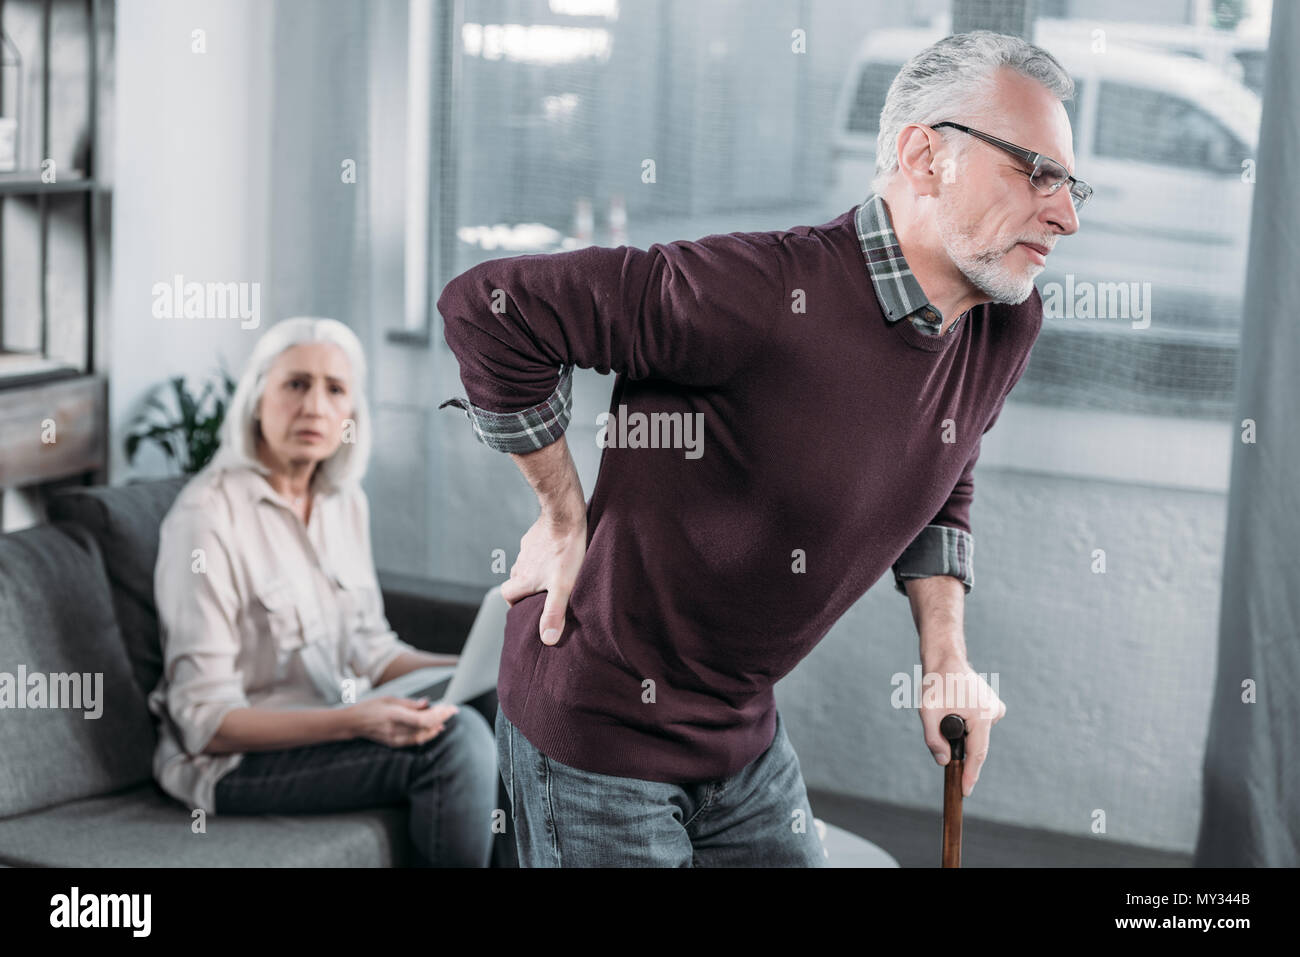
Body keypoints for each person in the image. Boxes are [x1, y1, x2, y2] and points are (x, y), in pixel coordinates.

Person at [437, 30, 1084, 867]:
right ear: (926, 156)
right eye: (1036, 172)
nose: (1064, 214)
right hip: (599, 730)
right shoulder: (761, 294)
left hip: (741, 737)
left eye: (1071, 184)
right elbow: (490, 308)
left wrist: (945, 658)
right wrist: (564, 516)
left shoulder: (1003, 318)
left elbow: (947, 468)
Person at [149, 316, 498, 867]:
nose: (314, 405)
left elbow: (371, 651)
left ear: (350, 414)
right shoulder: (206, 519)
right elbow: (205, 722)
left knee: (505, 702)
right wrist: (357, 720)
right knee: (457, 746)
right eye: (295, 384)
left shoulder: (342, 502)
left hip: (337, 720)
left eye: (334, 389)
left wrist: (476, 668)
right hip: (235, 764)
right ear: (257, 398)